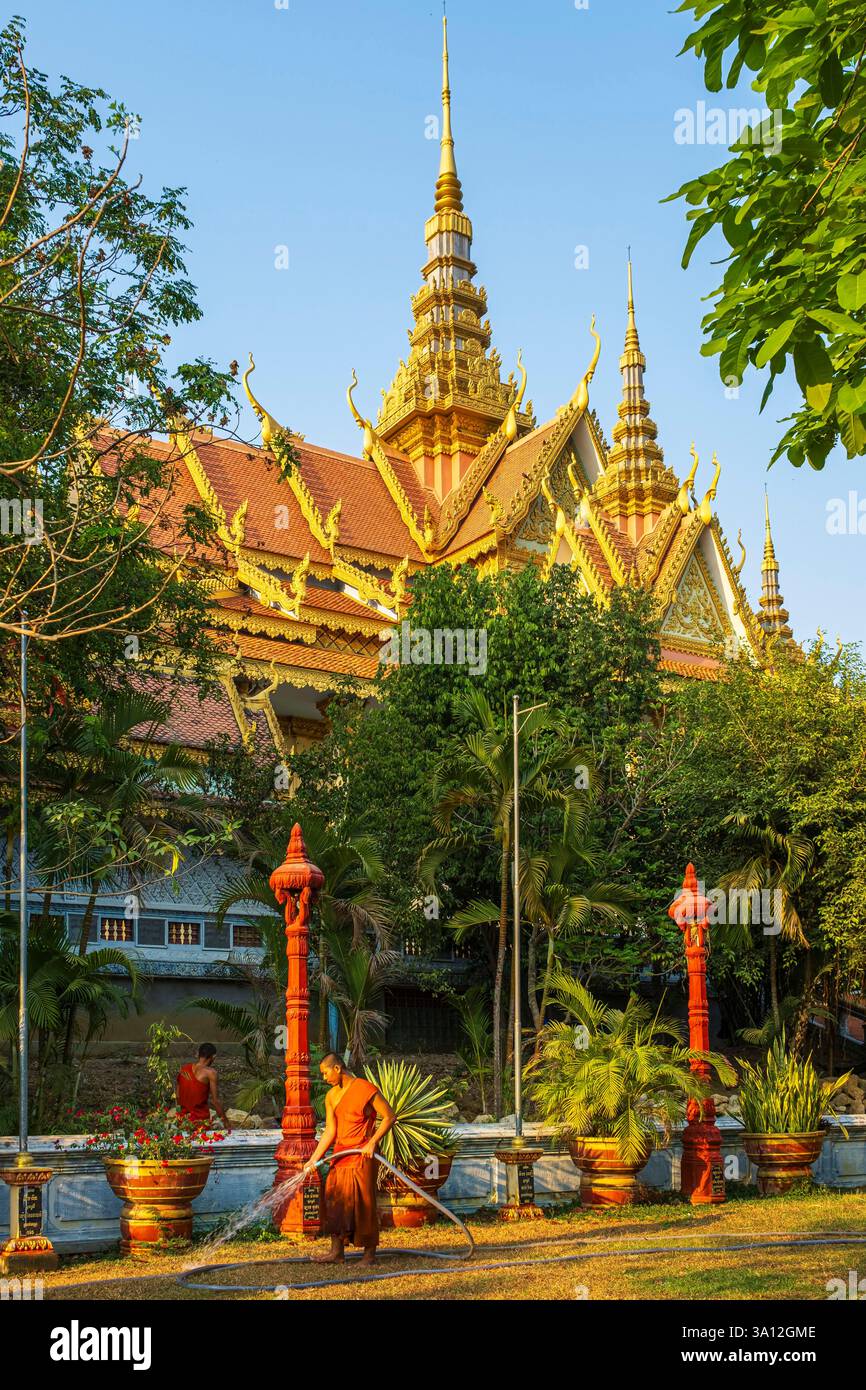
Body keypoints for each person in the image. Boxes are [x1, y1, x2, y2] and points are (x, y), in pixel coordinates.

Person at [303, 1052, 396, 1266]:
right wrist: (313, 1159)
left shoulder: (364, 1088)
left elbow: (390, 1116)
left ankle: (369, 1255)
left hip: (363, 1153)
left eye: (325, 1073)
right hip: (341, 1154)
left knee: (364, 1203)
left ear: (337, 1068)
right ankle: (337, 1252)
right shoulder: (331, 1096)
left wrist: (372, 1142)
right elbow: (330, 1131)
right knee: (334, 1200)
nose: (324, 1078)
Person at [175, 1043, 233, 1133]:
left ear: (198, 1054)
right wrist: (226, 1122)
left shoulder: (184, 1069)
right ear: (213, 1057)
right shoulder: (210, 1073)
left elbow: (178, 1096)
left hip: (183, 1122)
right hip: (200, 1124)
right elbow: (215, 1101)